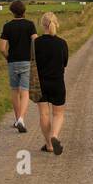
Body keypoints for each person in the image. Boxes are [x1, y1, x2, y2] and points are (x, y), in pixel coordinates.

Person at [34, 11, 69, 155]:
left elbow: (33, 62)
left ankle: (48, 144)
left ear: (43, 25)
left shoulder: (36, 43)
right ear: (56, 24)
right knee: (58, 114)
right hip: (57, 82)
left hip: (41, 83)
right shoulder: (62, 43)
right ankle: (54, 135)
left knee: (44, 114)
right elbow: (65, 63)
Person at [0, 0, 36, 133]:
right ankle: (21, 119)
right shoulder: (30, 25)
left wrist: (8, 57)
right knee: (24, 91)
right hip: (26, 61)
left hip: (12, 62)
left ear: (12, 12)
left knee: (14, 90)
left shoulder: (7, 26)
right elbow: (35, 41)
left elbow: (2, 48)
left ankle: (17, 119)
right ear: (24, 11)